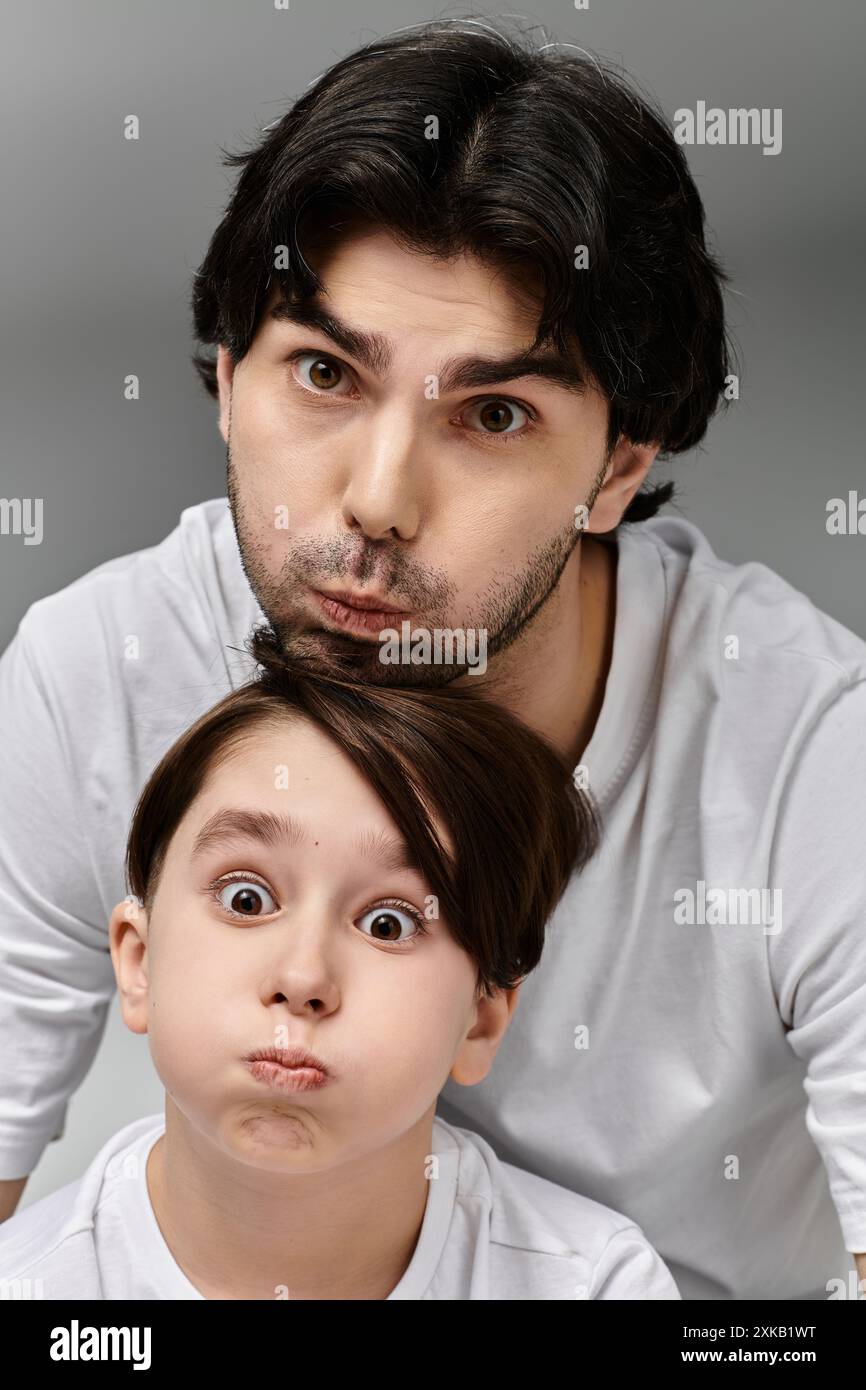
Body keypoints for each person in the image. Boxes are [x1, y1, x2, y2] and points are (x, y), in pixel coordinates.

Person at [0, 19, 864, 1300]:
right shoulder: (94, 672)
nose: (376, 502)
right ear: (227, 382)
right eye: (324, 373)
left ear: (618, 466)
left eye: (493, 414)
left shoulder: (810, 749)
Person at [0, 626, 679, 1299]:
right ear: (140, 961)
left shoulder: (597, 1285)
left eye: (389, 923)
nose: (303, 980)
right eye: (246, 898)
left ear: (480, 1021)